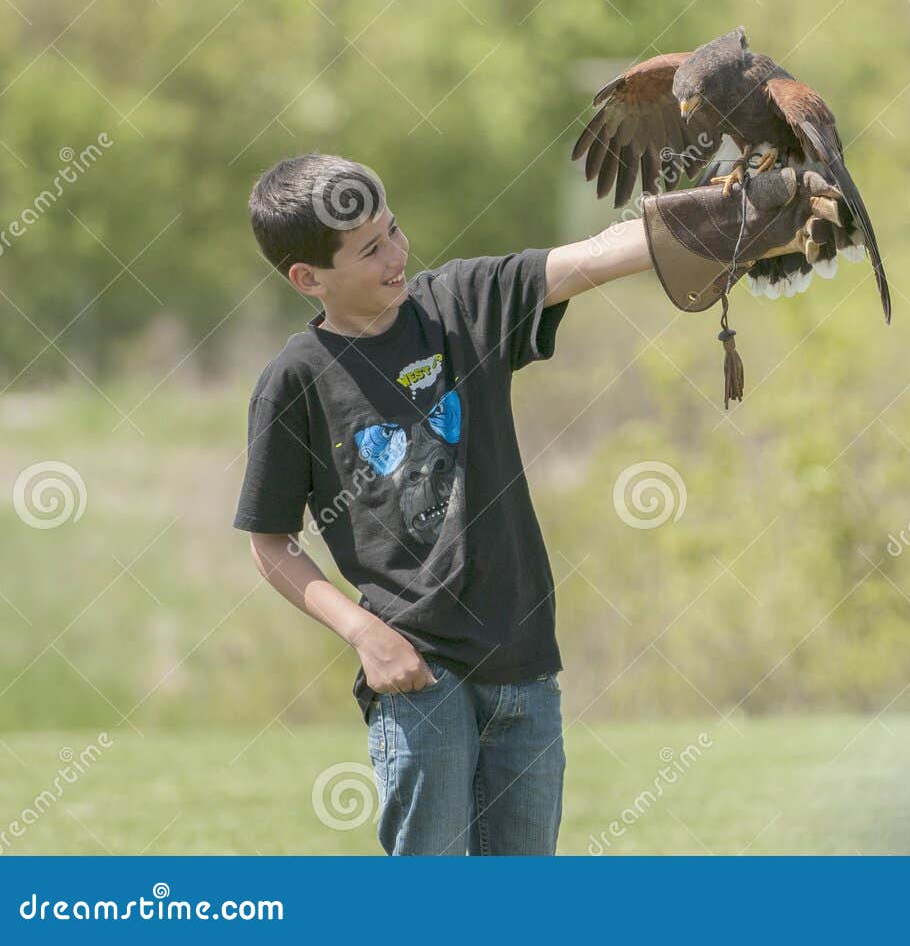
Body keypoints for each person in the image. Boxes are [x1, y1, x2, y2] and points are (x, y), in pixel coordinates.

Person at [233, 152, 835, 854]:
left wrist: (736, 214)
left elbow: (597, 255)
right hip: (418, 674)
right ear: (308, 278)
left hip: (524, 660)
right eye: (370, 250)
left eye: (394, 229)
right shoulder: (295, 382)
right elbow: (270, 542)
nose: (398, 253)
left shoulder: (459, 304)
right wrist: (365, 634)